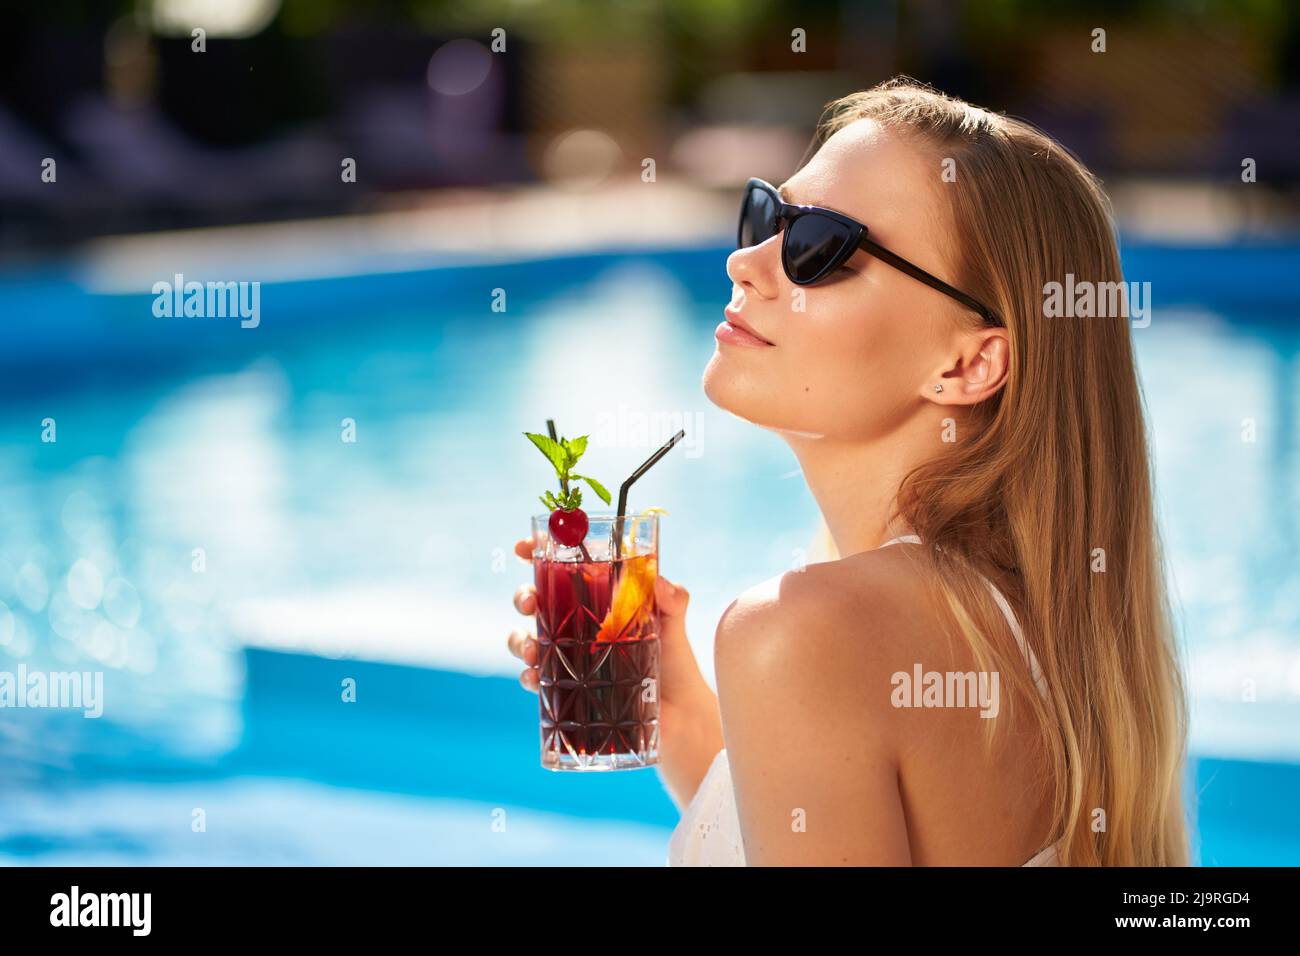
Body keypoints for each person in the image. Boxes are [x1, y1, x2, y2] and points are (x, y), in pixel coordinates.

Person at [509, 77, 1188, 866]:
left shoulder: (806, 631)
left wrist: (779, 665)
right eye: (767, 215)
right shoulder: (1035, 624)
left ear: (969, 364)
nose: (745, 261)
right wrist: (676, 700)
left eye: (819, 247)